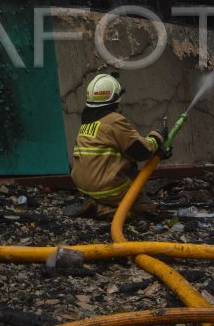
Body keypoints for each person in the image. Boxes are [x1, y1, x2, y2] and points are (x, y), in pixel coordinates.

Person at [70, 73, 166, 218]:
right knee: (148, 210)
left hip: (84, 185)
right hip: (106, 187)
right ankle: (102, 210)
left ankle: (99, 202)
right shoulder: (113, 121)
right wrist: (158, 136)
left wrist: (160, 153)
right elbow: (141, 152)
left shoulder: (88, 121)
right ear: (115, 97)